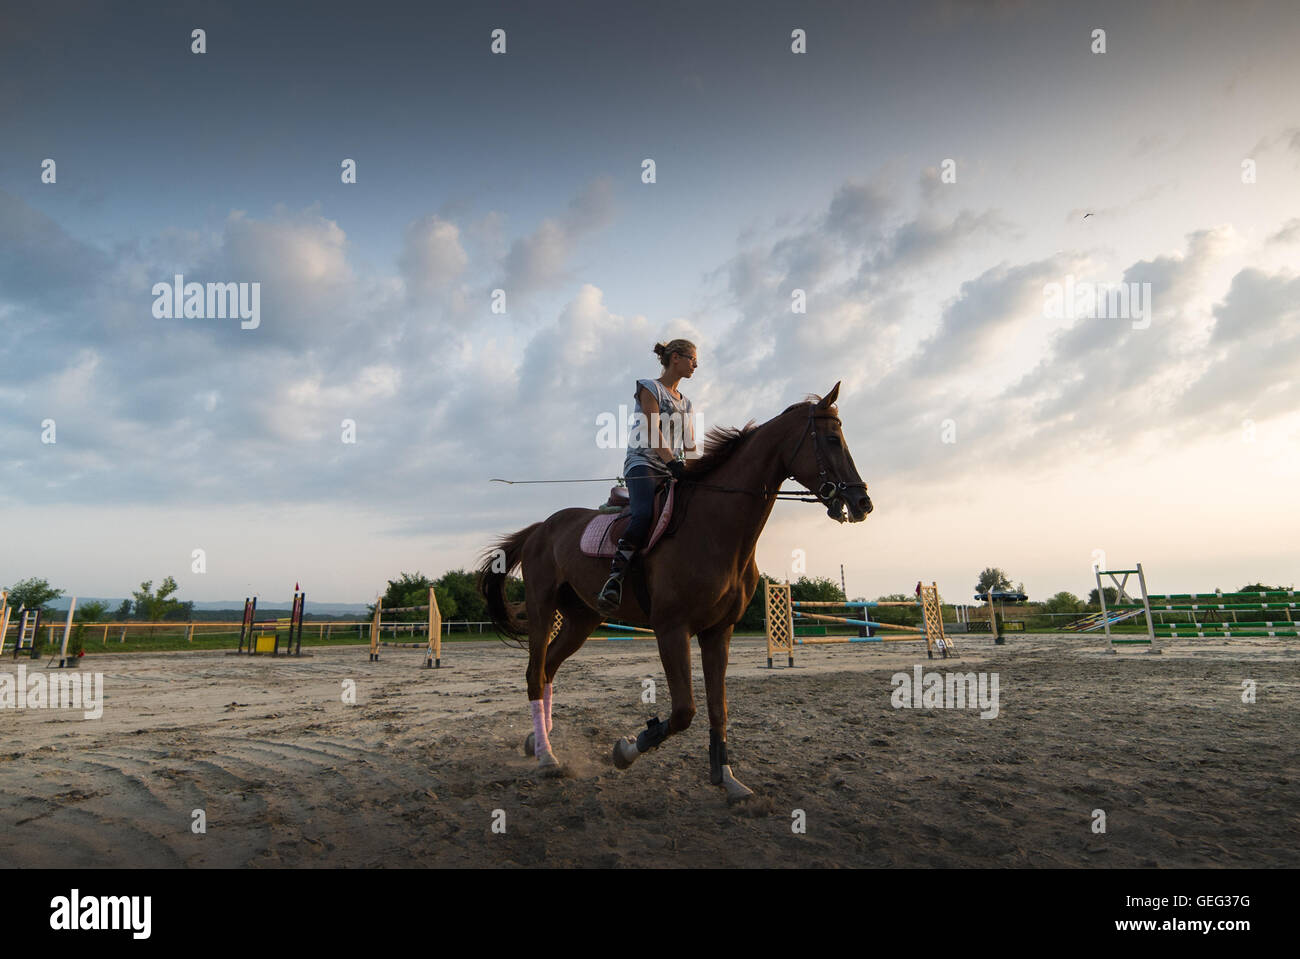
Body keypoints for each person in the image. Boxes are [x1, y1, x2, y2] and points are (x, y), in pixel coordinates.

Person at [596, 339, 698, 614]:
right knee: (642, 515)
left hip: (671, 469)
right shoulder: (649, 388)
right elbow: (652, 431)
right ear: (675, 358)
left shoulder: (686, 403)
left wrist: (697, 469)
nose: (696, 365)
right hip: (643, 465)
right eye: (692, 359)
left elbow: (689, 443)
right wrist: (672, 463)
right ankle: (614, 579)